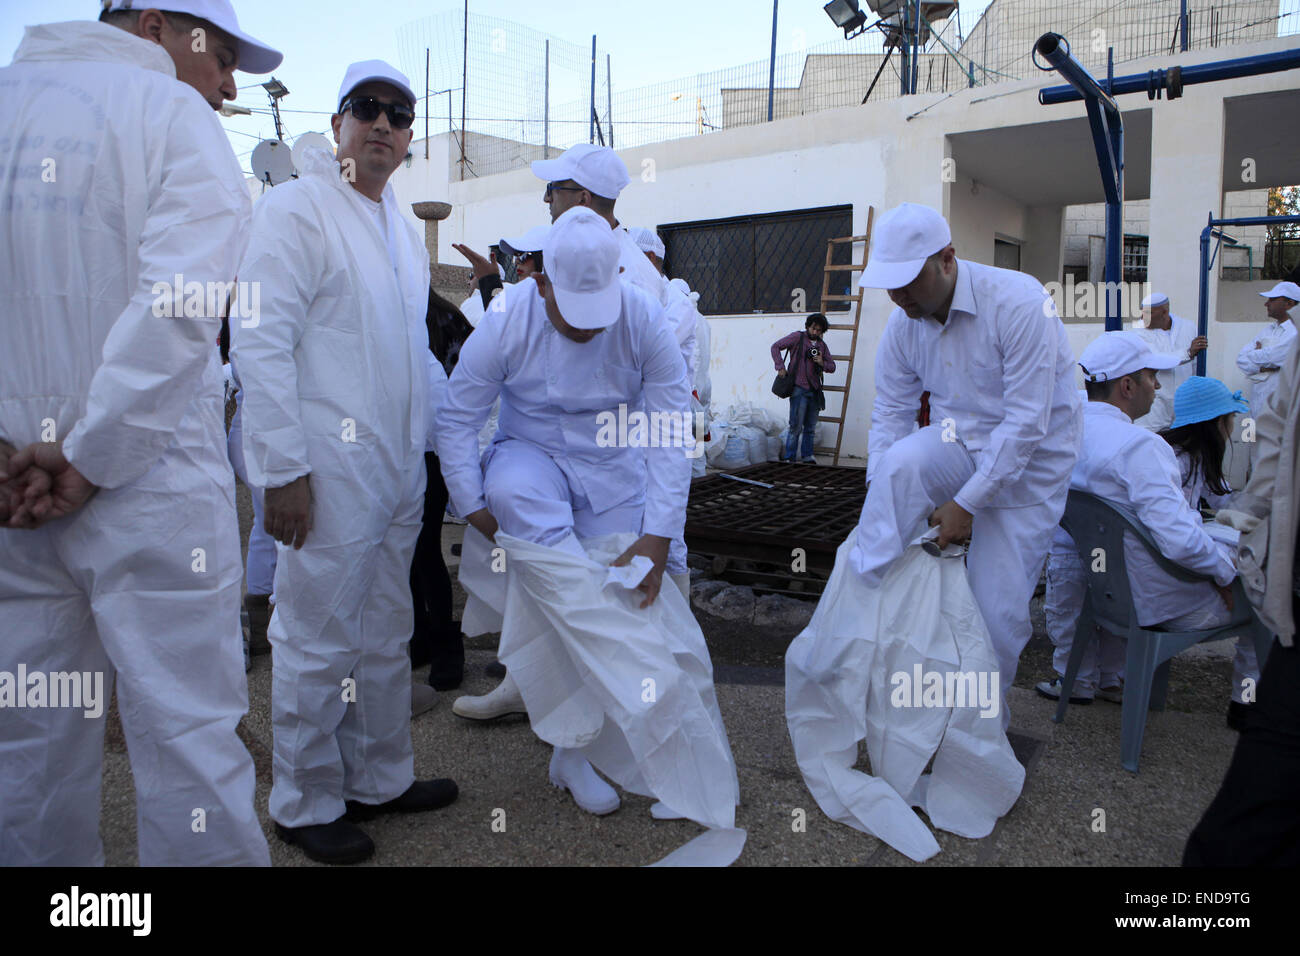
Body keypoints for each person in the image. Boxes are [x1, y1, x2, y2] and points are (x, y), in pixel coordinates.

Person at [0, 0, 280, 867]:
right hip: (145, 484)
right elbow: (183, 305)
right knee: (188, 741)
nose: (231, 82)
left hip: (12, 491)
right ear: (157, 25)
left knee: (26, 743)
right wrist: (88, 457)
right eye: (224, 55)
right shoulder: (171, 116)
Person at [232, 60, 457, 865]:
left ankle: (378, 776)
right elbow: (260, 342)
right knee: (317, 633)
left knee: (383, 628)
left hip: (394, 469)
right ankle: (302, 799)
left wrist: (439, 449)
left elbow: (409, 351)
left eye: (400, 115)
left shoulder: (397, 225)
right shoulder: (298, 210)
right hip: (324, 470)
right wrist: (281, 469)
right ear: (338, 125)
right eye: (367, 108)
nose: (384, 125)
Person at [436, 207, 692, 815]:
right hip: (531, 454)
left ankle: (587, 743)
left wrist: (658, 536)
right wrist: (471, 503)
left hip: (611, 466)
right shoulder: (506, 319)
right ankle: (570, 744)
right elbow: (458, 415)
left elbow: (672, 431)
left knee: (615, 595)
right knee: (562, 577)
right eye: (571, 314)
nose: (584, 330)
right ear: (541, 281)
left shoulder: (644, 319)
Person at [849, 202, 1081, 726]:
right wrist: (882, 493)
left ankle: (976, 744)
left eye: (908, 280)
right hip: (959, 443)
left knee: (994, 615)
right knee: (900, 465)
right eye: (889, 283)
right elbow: (890, 413)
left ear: (948, 259)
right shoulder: (904, 324)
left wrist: (966, 504)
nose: (898, 295)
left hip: (1033, 466)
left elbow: (1025, 425)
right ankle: (864, 597)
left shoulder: (1020, 302)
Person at [1034, 343, 1247, 715]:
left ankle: (1087, 679)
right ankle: (1250, 706)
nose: (1158, 388)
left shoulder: (1060, 435)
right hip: (1142, 600)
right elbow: (1180, 541)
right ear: (1128, 387)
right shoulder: (1141, 446)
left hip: (1092, 585)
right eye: (1153, 377)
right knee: (1261, 596)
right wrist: (1225, 573)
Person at [530, 144, 696, 599]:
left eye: (553, 190)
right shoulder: (608, 259)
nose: (547, 200)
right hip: (608, 459)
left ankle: (662, 649)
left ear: (582, 199)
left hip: (623, 459)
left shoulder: (624, 276)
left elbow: (664, 403)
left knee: (637, 573)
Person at [1184, 314, 1300, 866]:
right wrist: (1232, 565)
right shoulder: (1182, 462)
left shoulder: (1185, 459)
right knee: (1254, 608)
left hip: (1150, 582)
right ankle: (1241, 700)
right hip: (1169, 588)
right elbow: (1185, 534)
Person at [409, 287, 476, 705]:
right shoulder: (449, 317)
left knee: (422, 548)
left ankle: (443, 647)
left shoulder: (434, 320)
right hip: (429, 449)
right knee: (415, 548)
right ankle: (422, 638)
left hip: (429, 449)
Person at [632, 226, 713, 475]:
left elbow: (644, 353)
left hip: (677, 403)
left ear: (649, 258)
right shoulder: (639, 298)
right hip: (683, 398)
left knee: (685, 462)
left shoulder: (676, 305)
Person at [1130, 292, 1206, 431]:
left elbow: (1195, 366)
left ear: (1164, 312)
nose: (1142, 317)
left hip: (1184, 402)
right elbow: (1156, 359)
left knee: (1184, 445)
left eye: (1148, 313)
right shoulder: (1138, 332)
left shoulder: (1188, 327)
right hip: (1155, 402)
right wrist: (1188, 353)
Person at [771, 314, 835, 463]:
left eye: (819, 330)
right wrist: (780, 367)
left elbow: (832, 366)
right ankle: (790, 458)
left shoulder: (822, 346)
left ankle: (807, 457)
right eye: (813, 328)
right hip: (798, 389)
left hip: (815, 390)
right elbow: (775, 347)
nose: (815, 332)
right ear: (807, 326)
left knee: (810, 428)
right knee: (795, 427)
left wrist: (821, 362)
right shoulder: (797, 337)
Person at [1236, 281, 1299, 416]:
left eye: (1272, 299)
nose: (1266, 303)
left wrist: (1256, 353)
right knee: (1252, 436)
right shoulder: (1268, 330)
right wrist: (1263, 366)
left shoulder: (1296, 331)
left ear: (1290, 304)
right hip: (1258, 406)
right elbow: (1241, 359)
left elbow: (1277, 357)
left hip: (1281, 414)